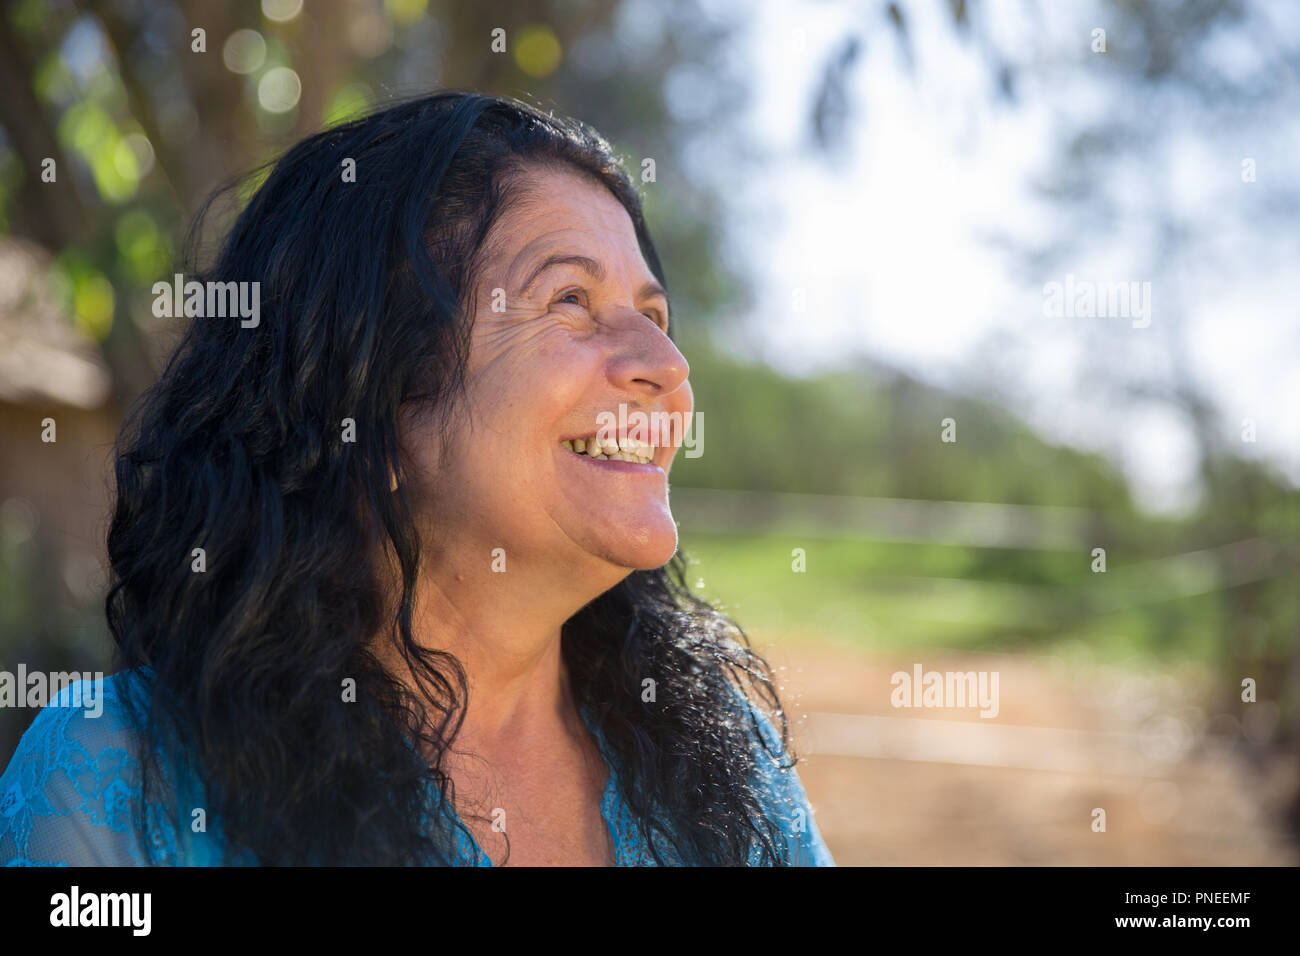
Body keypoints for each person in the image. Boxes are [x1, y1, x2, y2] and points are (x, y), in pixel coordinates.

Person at [0, 91, 833, 866]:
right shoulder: (114, 783)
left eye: (653, 316)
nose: (668, 364)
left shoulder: (729, 766)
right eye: (570, 299)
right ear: (370, 390)